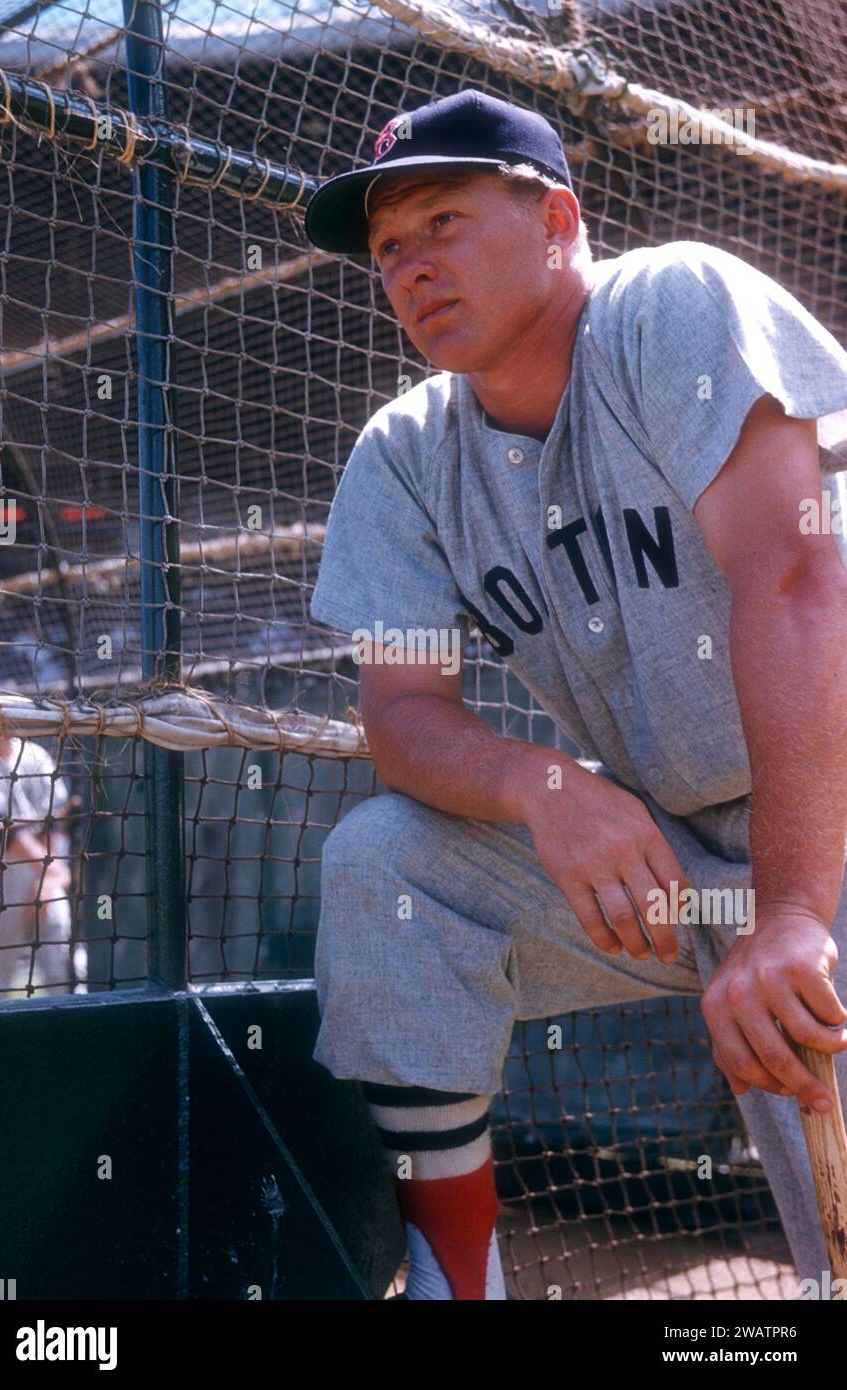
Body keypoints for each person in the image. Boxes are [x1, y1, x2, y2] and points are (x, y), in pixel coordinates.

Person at [302, 88, 847, 1299]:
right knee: (384, 865)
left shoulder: (670, 305)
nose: (409, 267)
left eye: (441, 220)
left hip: (832, 804)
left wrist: (796, 916)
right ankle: (458, 1283)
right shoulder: (402, 452)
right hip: (682, 849)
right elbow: (398, 715)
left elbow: (796, 575)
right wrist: (540, 782)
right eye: (388, 249)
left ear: (556, 217)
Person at [0, 729, 84, 998]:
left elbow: (57, 820)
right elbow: (4, 834)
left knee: (61, 967)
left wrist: (49, 880)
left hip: (44, 868)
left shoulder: (35, 756)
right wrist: (52, 870)